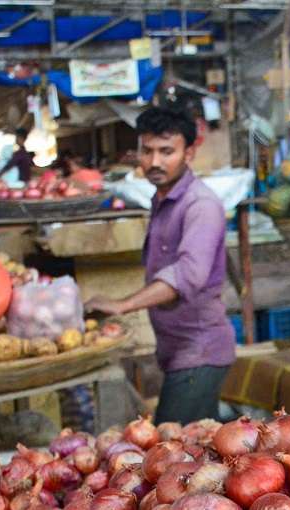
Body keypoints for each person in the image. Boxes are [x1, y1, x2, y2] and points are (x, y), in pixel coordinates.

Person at [83, 107, 234, 424]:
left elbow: (187, 275)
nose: (154, 162)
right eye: (147, 150)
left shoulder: (200, 205)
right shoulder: (162, 199)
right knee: (194, 450)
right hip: (176, 352)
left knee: (172, 452)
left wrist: (124, 305)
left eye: (167, 152)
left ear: (189, 153)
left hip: (199, 352)